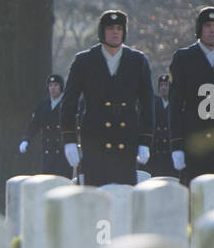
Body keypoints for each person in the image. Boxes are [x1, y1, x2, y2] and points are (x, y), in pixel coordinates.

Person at [59, 10, 154, 186]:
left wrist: (145, 140)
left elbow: (147, 104)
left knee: (123, 194)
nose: (115, 32)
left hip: (126, 140)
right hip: (94, 141)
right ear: (102, 31)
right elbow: (69, 103)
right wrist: (69, 140)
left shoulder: (137, 61)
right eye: (110, 28)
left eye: (119, 28)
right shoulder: (84, 60)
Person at [167, 6, 214, 184]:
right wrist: (176, 145)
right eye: (208, 25)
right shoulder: (183, 58)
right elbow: (175, 105)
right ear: (200, 29)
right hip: (194, 142)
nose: (212, 30)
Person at [20, 74, 68, 176]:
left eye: (56, 85)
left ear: (61, 87)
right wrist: (26, 139)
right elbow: (34, 124)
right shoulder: (43, 104)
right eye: (50, 85)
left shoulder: (67, 103)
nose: (53, 88)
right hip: (48, 149)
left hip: (63, 151)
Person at [146, 73, 178, 178]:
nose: (164, 88)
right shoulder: (153, 104)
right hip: (156, 155)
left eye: (166, 85)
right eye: (161, 85)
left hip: (170, 154)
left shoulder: (176, 104)